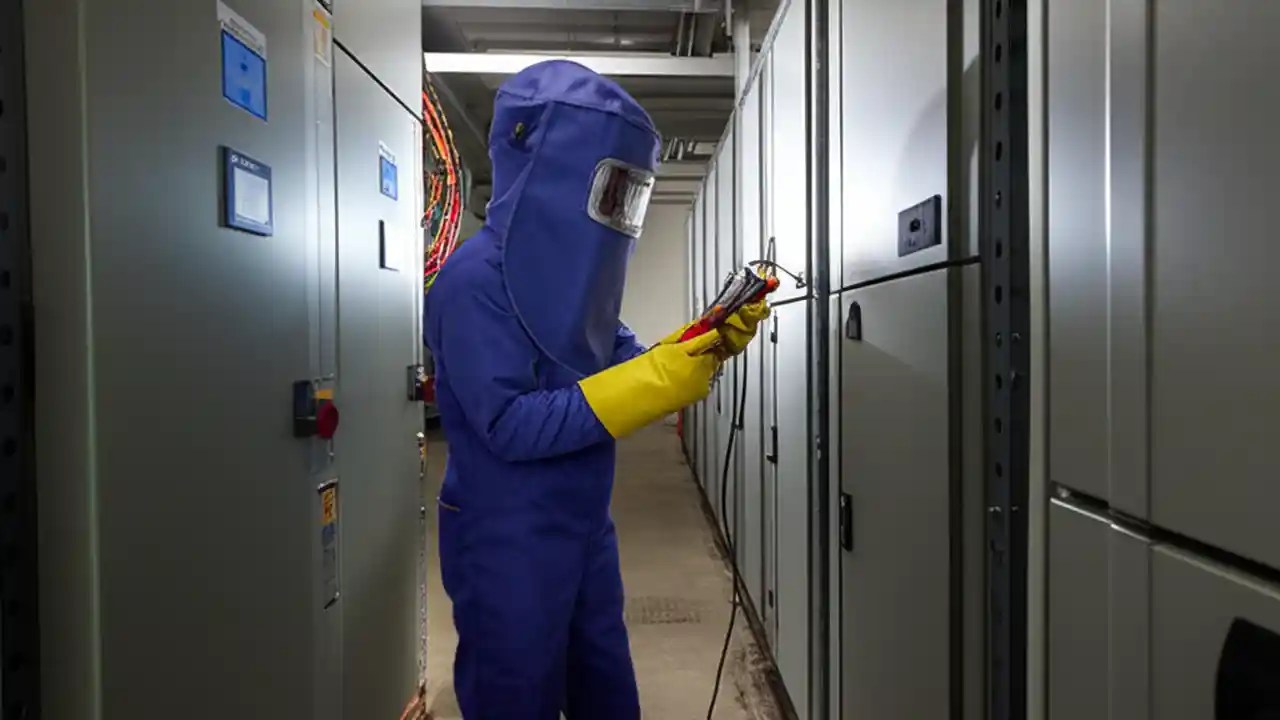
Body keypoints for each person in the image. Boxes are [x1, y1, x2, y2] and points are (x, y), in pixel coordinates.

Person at [423, 60, 770, 719]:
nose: (615, 212)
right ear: (555, 171)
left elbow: (621, 357)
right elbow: (509, 425)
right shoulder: (472, 283)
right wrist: (654, 382)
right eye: (609, 189)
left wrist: (702, 342)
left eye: (627, 194)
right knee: (514, 697)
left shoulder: (570, 285)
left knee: (605, 689)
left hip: (583, 523)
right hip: (506, 536)